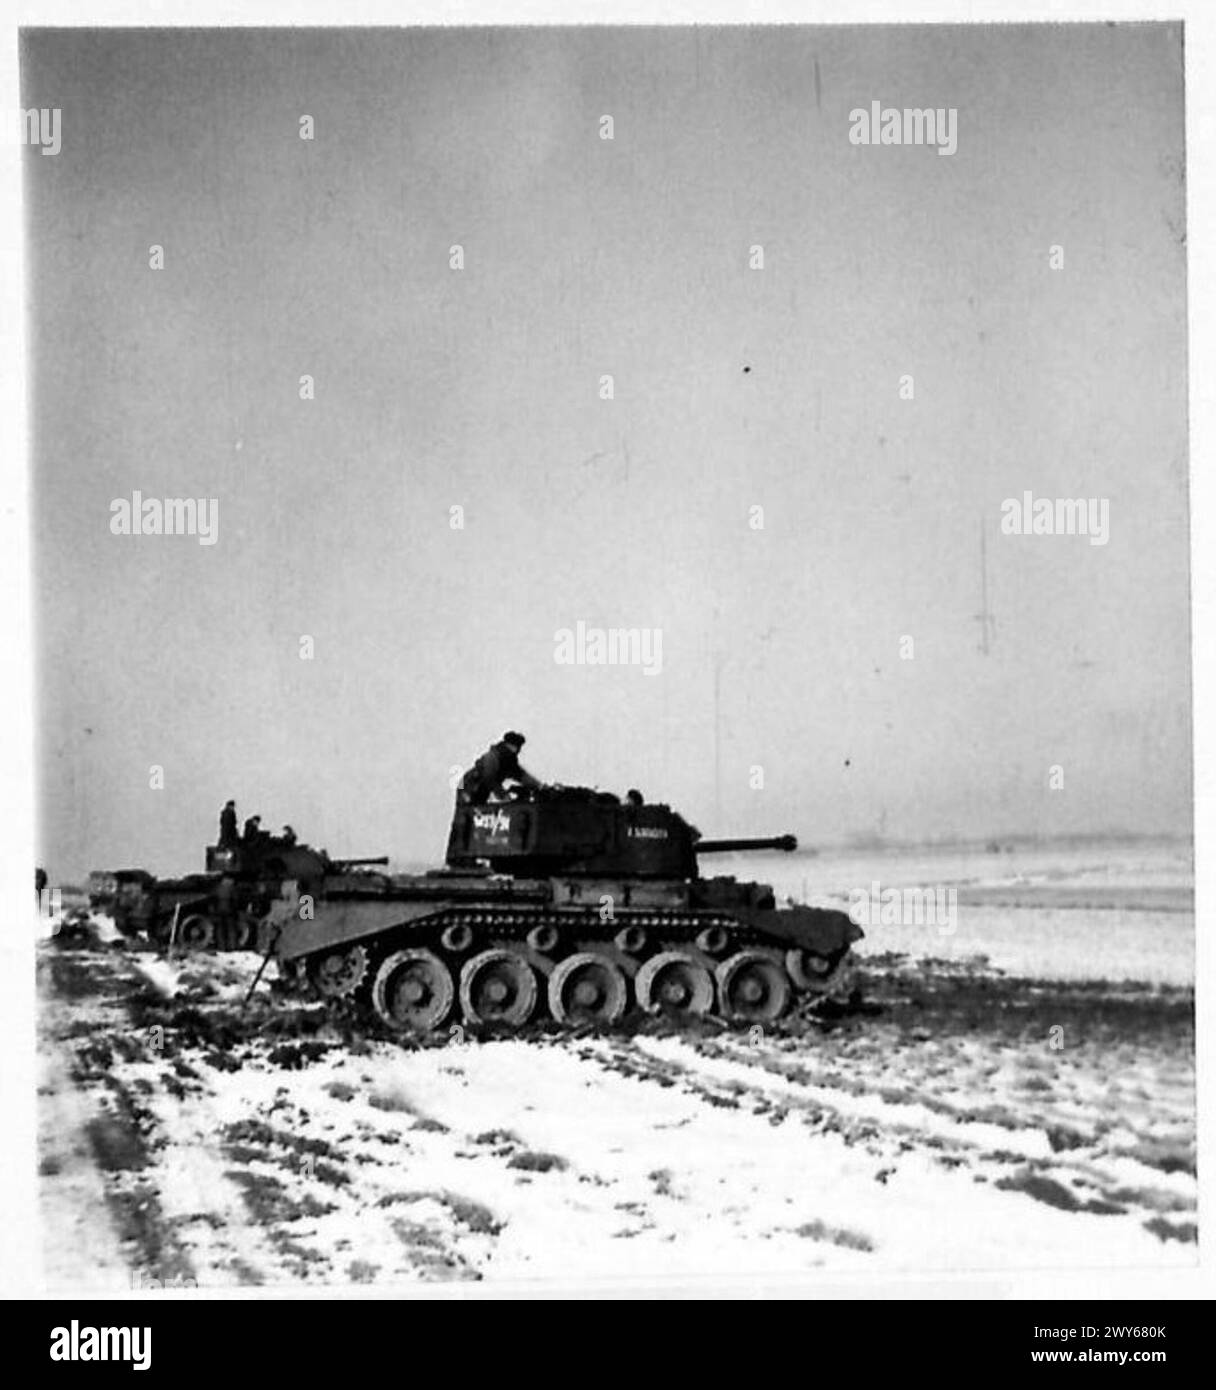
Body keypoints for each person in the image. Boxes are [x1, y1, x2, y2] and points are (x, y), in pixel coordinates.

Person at [458, 731, 542, 805]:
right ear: (508, 745)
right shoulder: (493, 757)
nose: (517, 750)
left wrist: (540, 786)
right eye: (516, 746)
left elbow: (522, 776)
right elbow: (489, 778)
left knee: (479, 806)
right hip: (466, 786)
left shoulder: (508, 761)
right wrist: (503, 795)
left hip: (480, 789)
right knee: (469, 811)